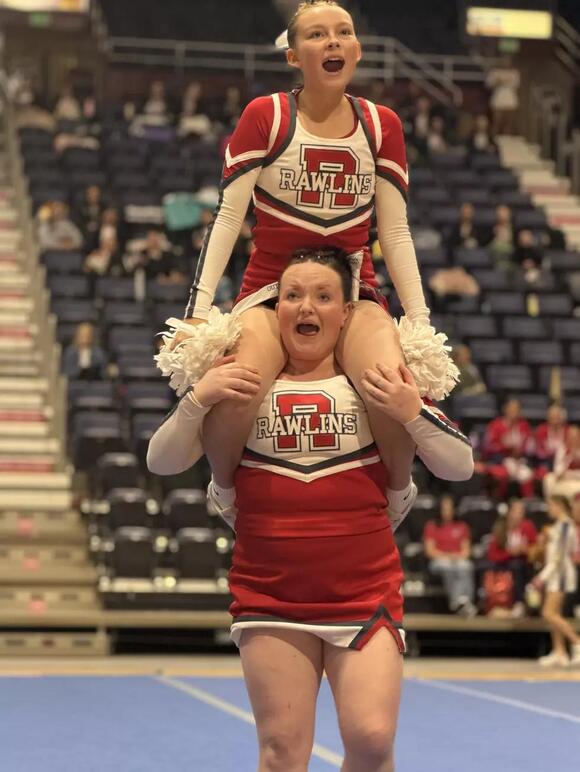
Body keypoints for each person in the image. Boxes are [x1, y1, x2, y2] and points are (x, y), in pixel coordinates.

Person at [148, 249, 473, 771]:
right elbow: (160, 461)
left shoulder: (378, 385)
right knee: (282, 753)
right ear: (273, 308)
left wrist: (413, 413)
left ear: (347, 312)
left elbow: (460, 465)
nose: (307, 307)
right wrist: (197, 398)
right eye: (292, 295)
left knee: (371, 739)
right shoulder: (242, 387)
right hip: (271, 592)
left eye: (324, 296)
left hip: (364, 589)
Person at [167, 0, 457, 529]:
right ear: (293, 56)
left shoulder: (380, 124)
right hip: (269, 289)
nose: (332, 43)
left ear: (357, 49)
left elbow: (393, 231)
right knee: (240, 385)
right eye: (317, 35)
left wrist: (418, 317)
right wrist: (198, 309)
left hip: (351, 289)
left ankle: (397, 493)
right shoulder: (267, 115)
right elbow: (228, 217)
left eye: (343, 33)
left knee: (391, 382)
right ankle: (225, 490)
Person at [531, 495, 580, 667]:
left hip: (560, 575)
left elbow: (559, 557)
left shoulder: (565, 526)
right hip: (555, 574)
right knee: (555, 614)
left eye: (551, 506)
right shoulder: (558, 527)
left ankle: (576, 642)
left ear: (559, 506)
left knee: (548, 613)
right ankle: (559, 652)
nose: (548, 509)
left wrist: (541, 577)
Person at [423, 495, 477, 617]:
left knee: (466, 566)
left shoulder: (462, 526)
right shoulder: (432, 526)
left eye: (449, 508)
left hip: (457, 559)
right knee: (448, 567)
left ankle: (462, 602)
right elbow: (430, 551)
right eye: (444, 508)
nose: (447, 512)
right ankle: (459, 602)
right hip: (439, 560)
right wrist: (446, 556)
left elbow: (466, 551)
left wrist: (456, 557)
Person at [486, 498, 537, 613]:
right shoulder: (500, 528)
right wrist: (510, 552)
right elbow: (492, 555)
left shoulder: (528, 527)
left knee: (518, 566)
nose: (520, 514)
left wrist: (525, 550)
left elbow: (535, 550)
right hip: (503, 564)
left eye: (522, 511)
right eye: (517, 511)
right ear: (509, 512)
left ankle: (519, 603)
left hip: (523, 565)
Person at [483, 398, 534, 499]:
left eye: (516, 409)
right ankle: (501, 502)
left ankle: (528, 503)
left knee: (527, 475)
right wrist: (505, 447)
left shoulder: (523, 425)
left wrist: (521, 450)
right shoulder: (496, 425)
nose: (514, 412)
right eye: (511, 409)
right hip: (501, 459)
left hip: (519, 461)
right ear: (505, 409)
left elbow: (530, 445)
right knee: (502, 474)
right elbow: (489, 446)